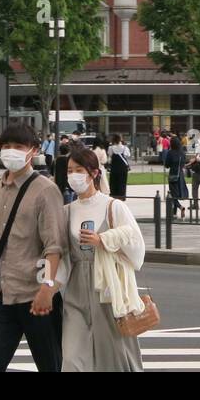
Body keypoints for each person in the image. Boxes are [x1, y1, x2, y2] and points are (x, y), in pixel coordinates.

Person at [0, 123, 67, 372]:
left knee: (51, 365)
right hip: (0, 292)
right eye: (6, 146)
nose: (11, 152)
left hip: (35, 294)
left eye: (19, 147)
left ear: (33, 150)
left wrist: (47, 289)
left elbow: (55, 246)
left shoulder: (46, 191)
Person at [61, 144, 146, 371]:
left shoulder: (113, 206)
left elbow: (137, 245)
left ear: (94, 173)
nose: (73, 175)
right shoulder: (67, 211)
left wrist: (103, 240)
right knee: (71, 358)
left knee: (115, 356)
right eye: (69, 170)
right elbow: (61, 254)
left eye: (79, 170)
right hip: (76, 286)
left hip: (108, 287)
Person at [163, 132, 188, 218]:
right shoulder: (182, 153)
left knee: (172, 195)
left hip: (173, 174)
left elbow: (166, 165)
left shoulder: (170, 153)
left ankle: (180, 207)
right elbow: (184, 163)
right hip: (180, 175)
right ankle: (174, 213)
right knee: (176, 194)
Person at [107, 134, 131, 200]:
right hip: (123, 167)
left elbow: (110, 155)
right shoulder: (125, 148)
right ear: (121, 139)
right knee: (122, 182)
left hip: (114, 167)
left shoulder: (111, 148)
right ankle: (122, 196)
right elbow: (128, 155)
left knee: (113, 182)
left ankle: (114, 195)